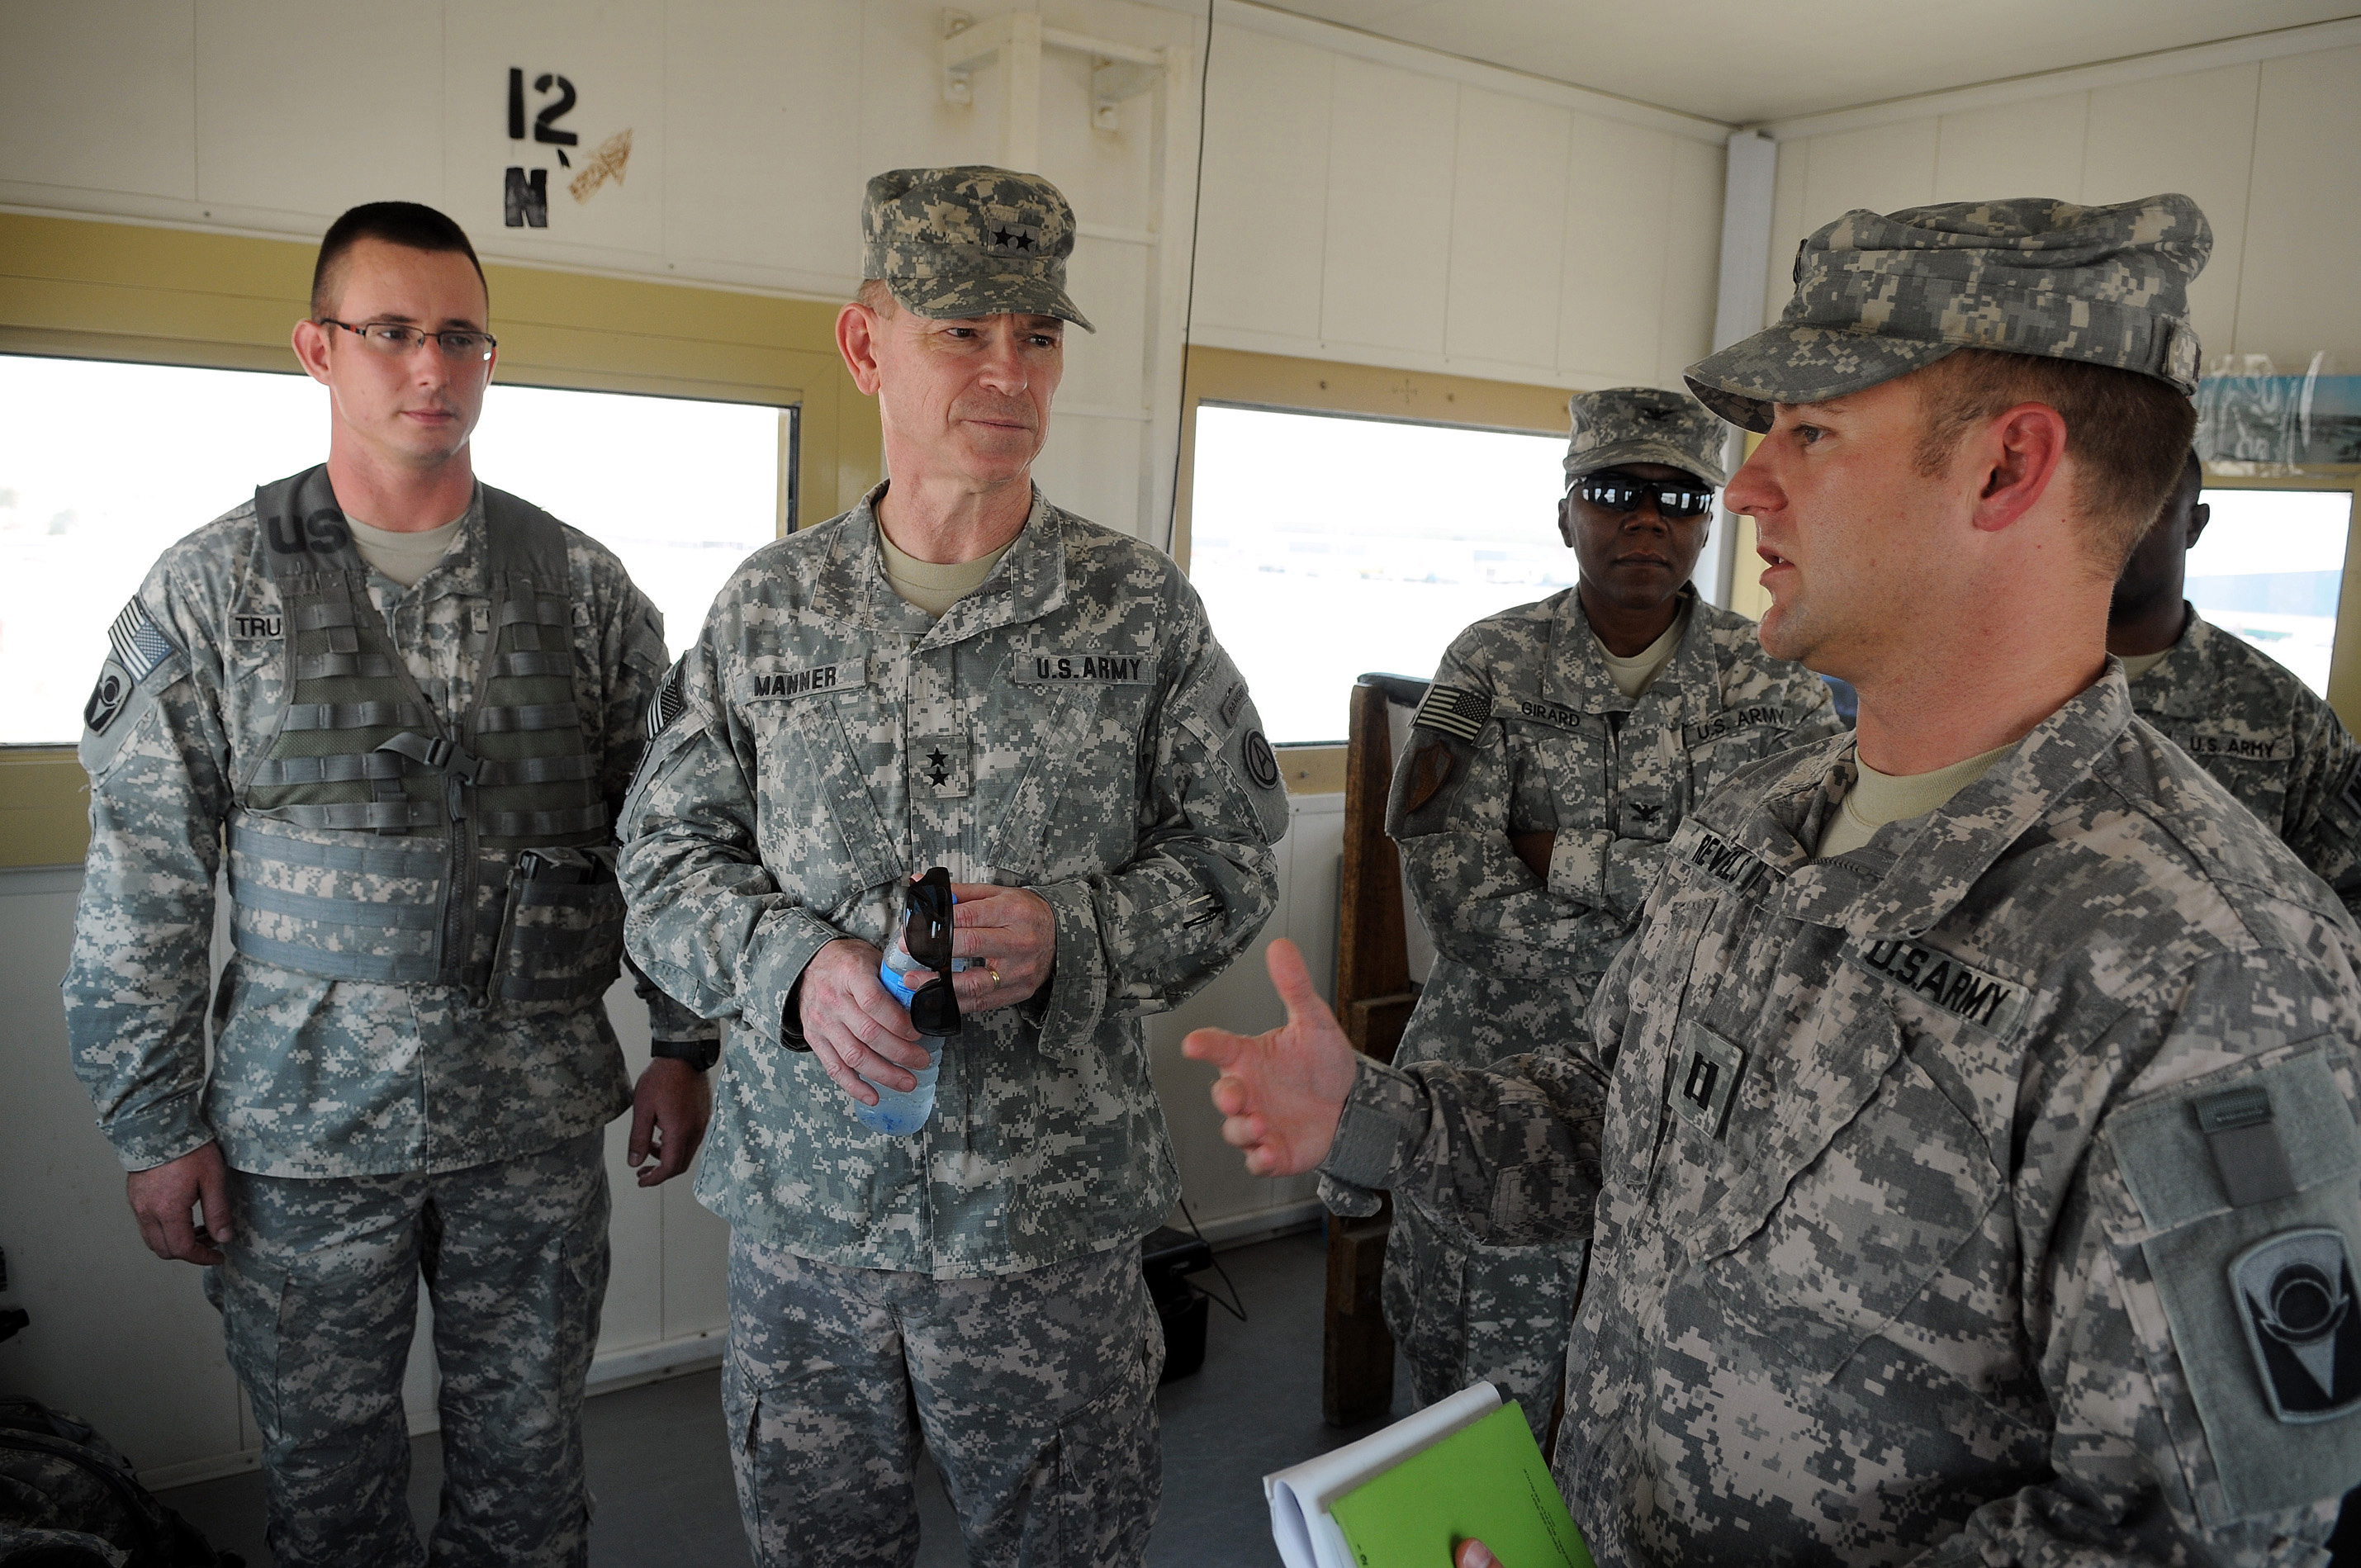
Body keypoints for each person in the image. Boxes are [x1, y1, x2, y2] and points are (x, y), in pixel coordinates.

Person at [1188, 192, 2361, 1566]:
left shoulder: (2211, 970)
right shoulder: (1757, 825)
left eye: (1807, 431)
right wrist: (1373, 1116)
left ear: (2003, 468)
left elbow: (2186, 1538)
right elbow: (1602, 1119)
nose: (1739, 491)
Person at [614, 166, 1287, 1568]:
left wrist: (1070, 934)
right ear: (866, 346)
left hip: (1044, 1225)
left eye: (1036, 336)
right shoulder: (768, 605)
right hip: (812, 1224)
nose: (1008, 369)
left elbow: (1230, 854)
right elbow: (662, 859)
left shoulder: (1136, 606)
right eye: (962, 331)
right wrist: (792, 970)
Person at [60, 201, 716, 1568]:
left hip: (528, 1128)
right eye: (394, 332)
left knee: (528, 1481)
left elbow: (662, 834)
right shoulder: (214, 589)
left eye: (462, 335)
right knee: (327, 1501)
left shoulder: (581, 588)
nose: (433, 366)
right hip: (299, 1138)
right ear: (319, 347)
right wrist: (150, 1121)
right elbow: (145, 871)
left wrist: (684, 1037)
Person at [1367, 386, 1837, 1441]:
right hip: (1497, 1063)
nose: (1647, 520)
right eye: (1616, 492)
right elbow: (1459, 886)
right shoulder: (1492, 660)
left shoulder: (1775, 675)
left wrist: (1566, 856)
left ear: (1710, 521)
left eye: (1680, 498)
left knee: (1663, 1392)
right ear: (1567, 511)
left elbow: (1780, 887)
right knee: (1475, 1381)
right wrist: (1668, 906)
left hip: (1687, 1078)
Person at [2111, 448, 2361, 917]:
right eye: (2096, 504)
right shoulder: (1996, 680)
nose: (2116, 528)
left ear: (2195, 524)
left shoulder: (2287, 718)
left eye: (2145, 506)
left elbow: (2351, 901)